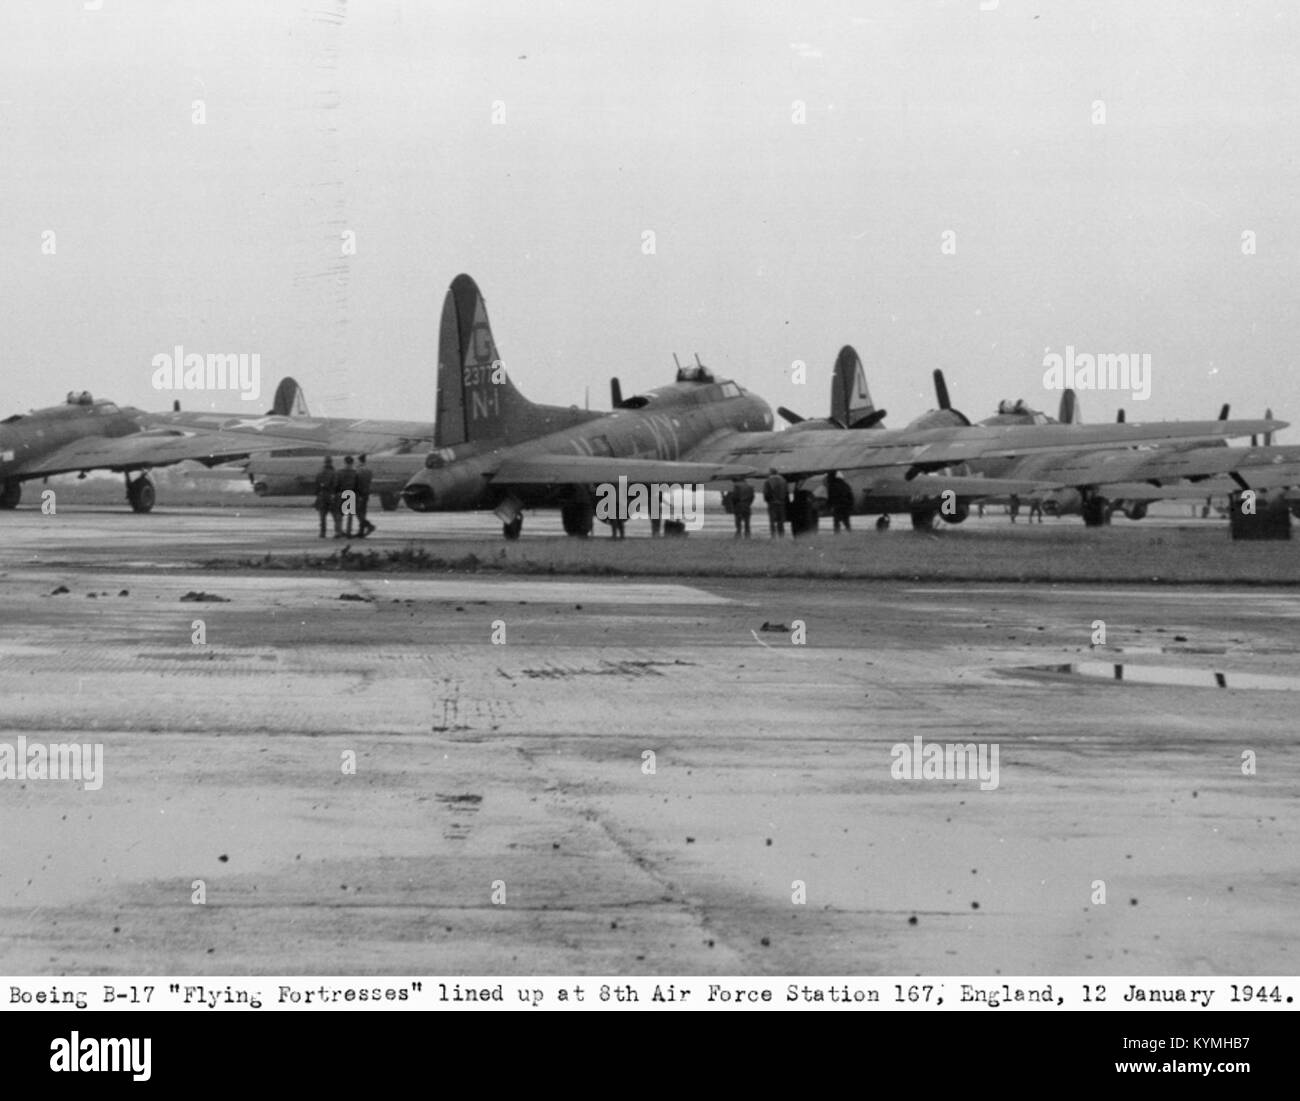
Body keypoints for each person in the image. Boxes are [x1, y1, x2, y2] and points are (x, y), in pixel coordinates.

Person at [314, 457, 338, 538]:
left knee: (322, 516)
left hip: (322, 495)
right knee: (335, 515)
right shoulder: (334, 472)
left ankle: (322, 532)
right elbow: (335, 484)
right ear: (331, 462)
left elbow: (316, 484)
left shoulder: (320, 472)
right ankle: (337, 532)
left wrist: (317, 494)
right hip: (331, 495)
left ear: (324, 462)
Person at [335, 455, 359, 538]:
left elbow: (336, 483)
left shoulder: (339, 472)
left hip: (341, 493)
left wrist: (335, 492)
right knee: (350, 515)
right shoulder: (355, 472)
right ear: (352, 463)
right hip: (351, 493)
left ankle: (338, 532)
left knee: (339, 514)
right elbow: (357, 485)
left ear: (344, 462)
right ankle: (348, 532)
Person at [763, 467, 789, 537]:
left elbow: (766, 493)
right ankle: (781, 535)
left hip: (772, 503)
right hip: (782, 503)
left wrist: (768, 500)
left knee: (772, 521)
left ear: (770, 472)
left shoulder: (768, 481)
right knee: (780, 521)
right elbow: (787, 492)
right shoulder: (784, 480)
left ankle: (773, 535)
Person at [355, 454, 376, 538]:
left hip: (359, 493)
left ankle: (369, 526)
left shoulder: (358, 470)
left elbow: (356, 482)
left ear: (359, 460)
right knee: (363, 512)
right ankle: (361, 531)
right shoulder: (369, 470)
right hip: (366, 493)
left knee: (357, 512)